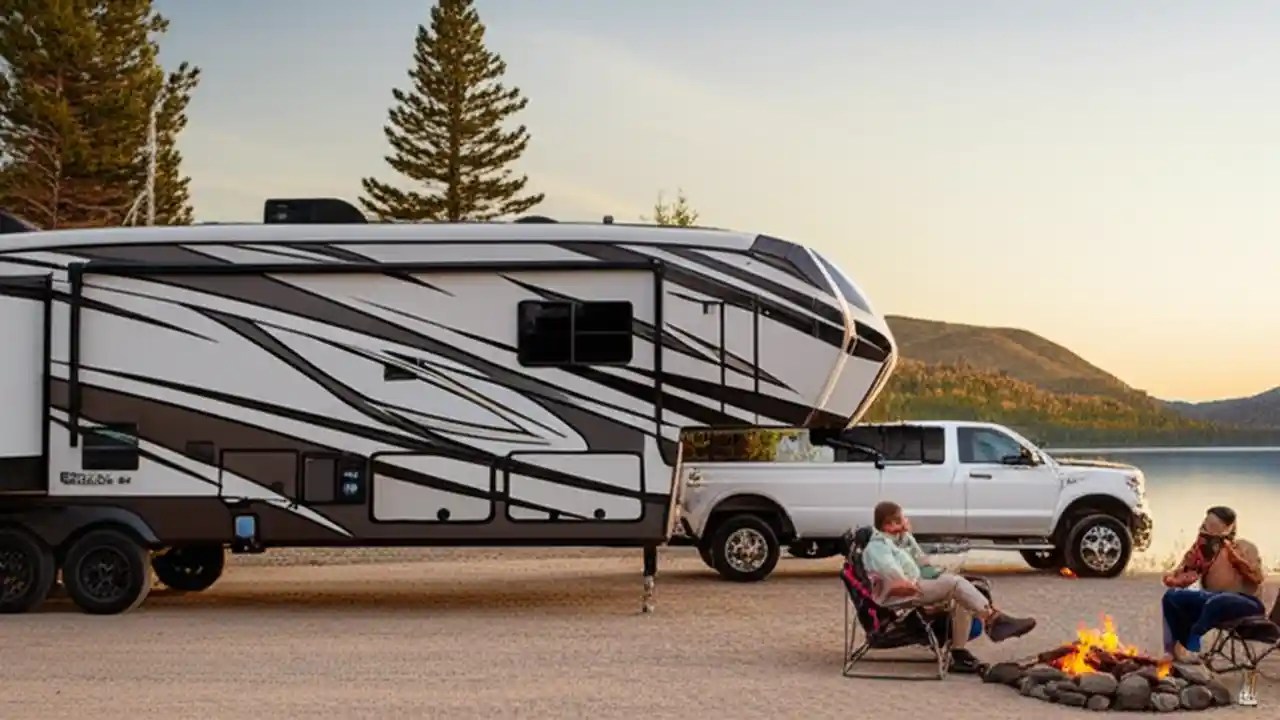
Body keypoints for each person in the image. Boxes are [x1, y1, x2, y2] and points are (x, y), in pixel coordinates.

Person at [861, 501, 1038, 673]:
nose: (906, 522)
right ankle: (993, 620)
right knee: (954, 584)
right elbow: (893, 578)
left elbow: (923, 563)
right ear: (889, 524)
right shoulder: (878, 547)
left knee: (962, 591)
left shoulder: (899, 542)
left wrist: (908, 537)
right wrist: (923, 592)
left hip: (916, 586)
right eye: (901, 520)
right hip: (900, 593)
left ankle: (958, 653)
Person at [1160, 506, 1267, 664]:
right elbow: (1183, 576)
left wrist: (1235, 558)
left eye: (1210, 526)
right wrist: (1174, 580)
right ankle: (1171, 652)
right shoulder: (1204, 552)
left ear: (1225, 529)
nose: (1203, 530)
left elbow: (1257, 577)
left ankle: (1192, 641)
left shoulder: (1244, 547)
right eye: (1204, 525)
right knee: (1171, 597)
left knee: (1219, 600)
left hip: (1248, 604)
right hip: (1212, 599)